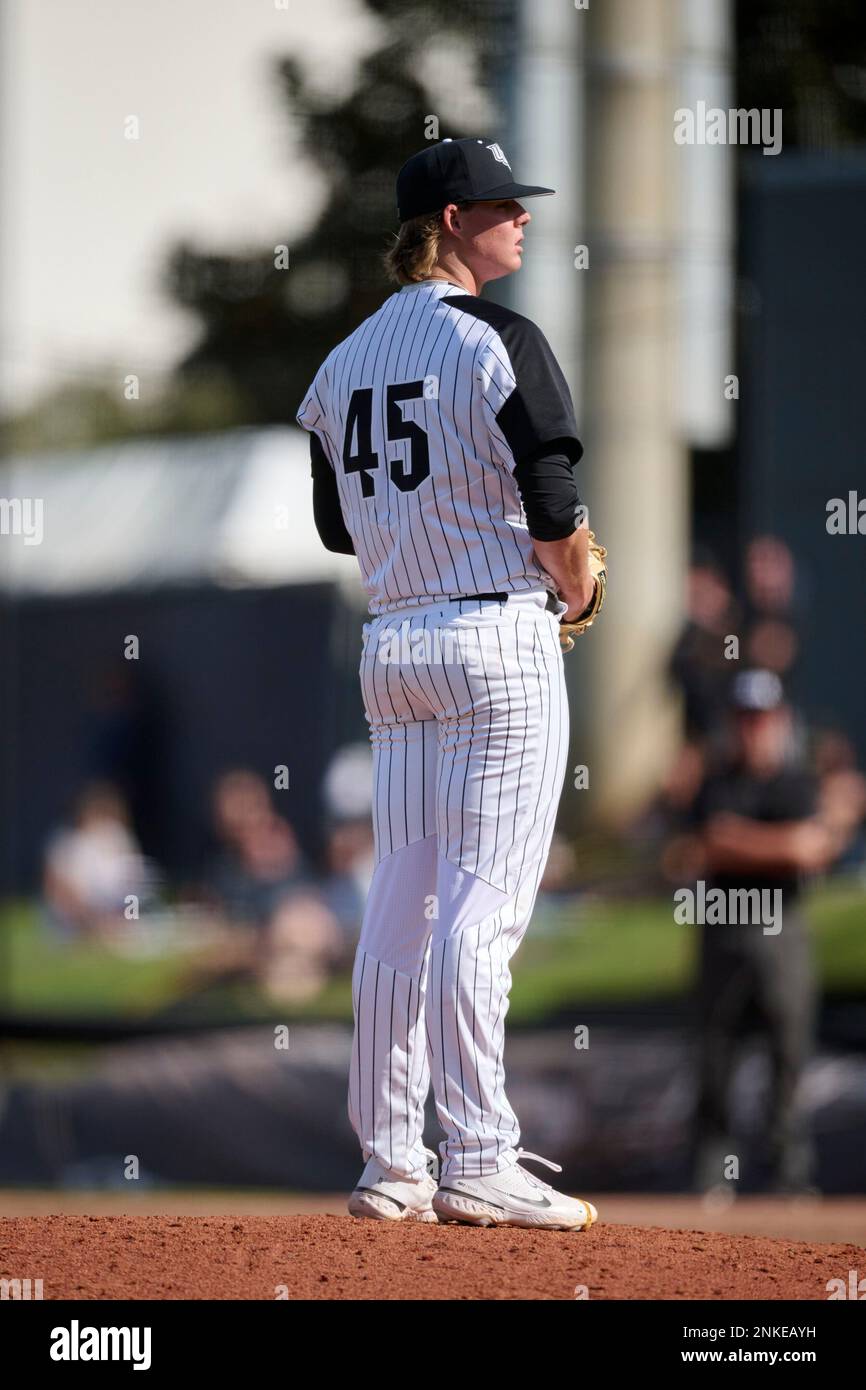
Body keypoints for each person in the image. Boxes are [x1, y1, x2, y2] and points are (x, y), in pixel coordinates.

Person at [296, 137, 599, 1230]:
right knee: (482, 907)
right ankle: (478, 1153)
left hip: (395, 646)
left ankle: (390, 1165)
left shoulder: (340, 364)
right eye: (503, 205)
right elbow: (553, 490)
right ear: (454, 221)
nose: (519, 219)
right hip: (494, 639)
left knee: (400, 904)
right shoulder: (497, 335)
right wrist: (569, 584)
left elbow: (338, 524)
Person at [686, 670, 840, 1194]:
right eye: (746, 719)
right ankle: (711, 1180)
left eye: (763, 719)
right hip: (724, 925)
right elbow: (703, 844)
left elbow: (808, 849)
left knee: (788, 1055)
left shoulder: (797, 781)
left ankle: (789, 1180)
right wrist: (775, 844)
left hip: (783, 931)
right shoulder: (717, 780)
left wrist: (740, 841)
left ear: (779, 722)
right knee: (716, 1056)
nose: (755, 729)